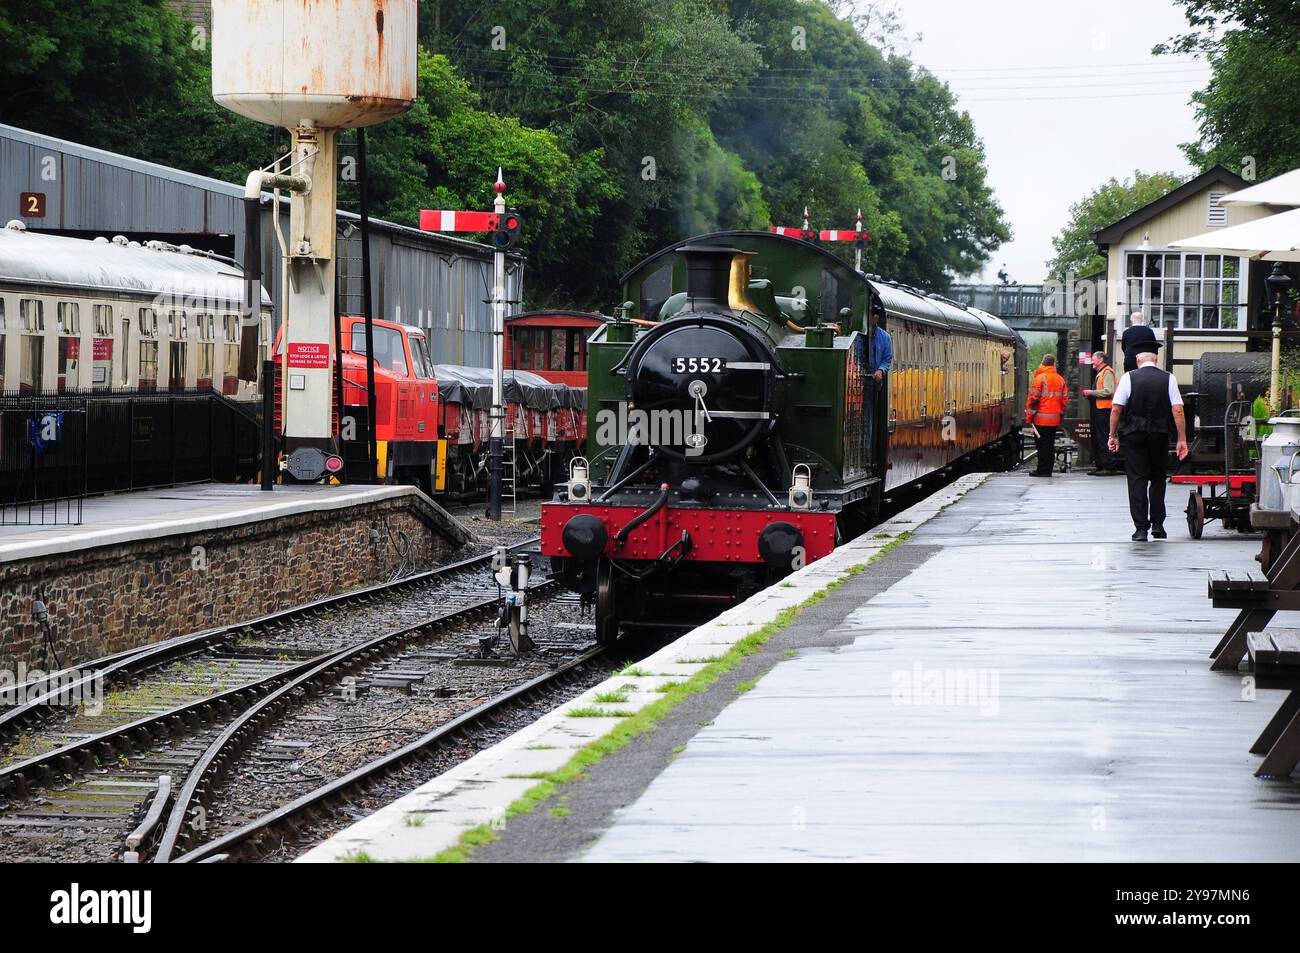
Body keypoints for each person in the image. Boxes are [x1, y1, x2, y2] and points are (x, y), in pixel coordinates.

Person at [1107, 340, 1189, 540]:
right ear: (1156, 359)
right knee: (1158, 478)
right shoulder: (1169, 378)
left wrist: (1112, 434)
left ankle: (1141, 528)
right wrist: (1182, 439)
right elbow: (1178, 409)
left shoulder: (1129, 377)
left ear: (1137, 360)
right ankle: (1158, 524)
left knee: (1137, 479)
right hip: (1159, 435)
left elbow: (1116, 408)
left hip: (1134, 435)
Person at [1025, 354, 1067, 477]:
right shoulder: (1060, 379)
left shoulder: (1039, 379)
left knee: (1042, 445)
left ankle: (1042, 470)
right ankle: (1048, 469)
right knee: (1050, 445)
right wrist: (1061, 416)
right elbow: (1064, 401)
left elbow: (1033, 400)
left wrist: (1030, 416)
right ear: (1053, 364)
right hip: (1054, 420)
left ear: (1043, 363)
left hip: (1041, 419)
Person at [1081, 351, 1120, 475]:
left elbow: (1109, 391)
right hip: (1099, 409)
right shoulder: (1101, 373)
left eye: (1093, 359)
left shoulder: (1107, 372)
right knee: (1098, 438)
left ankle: (1109, 466)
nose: (1092, 361)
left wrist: (1091, 393)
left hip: (1104, 410)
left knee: (1103, 437)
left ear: (1101, 360)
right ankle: (1101, 465)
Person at [862, 306, 892, 449]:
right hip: (858, 379)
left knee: (870, 414)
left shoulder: (885, 337)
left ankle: (868, 447)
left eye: (874, 316)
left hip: (873, 382)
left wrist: (881, 370)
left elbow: (887, 358)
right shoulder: (860, 334)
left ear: (876, 318)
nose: (872, 319)